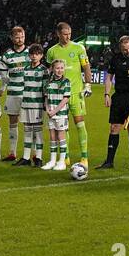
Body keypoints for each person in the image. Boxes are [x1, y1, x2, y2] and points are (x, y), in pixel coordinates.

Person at [45, 23, 91, 170]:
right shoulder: (52, 51)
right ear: (58, 34)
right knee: (62, 127)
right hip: (59, 96)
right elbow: (48, 72)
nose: (68, 36)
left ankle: (84, 157)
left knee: (79, 124)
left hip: (76, 93)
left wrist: (88, 84)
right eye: (65, 34)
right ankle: (66, 157)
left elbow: (86, 67)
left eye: (69, 33)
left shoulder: (79, 48)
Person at [99, 35, 129, 170]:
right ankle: (109, 161)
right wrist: (107, 94)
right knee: (114, 127)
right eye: (124, 49)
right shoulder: (115, 59)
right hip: (118, 97)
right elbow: (109, 78)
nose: (127, 51)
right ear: (120, 48)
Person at [0, 26, 31, 161]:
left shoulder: (30, 53)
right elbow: (4, 74)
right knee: (13, 122)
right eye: (17, 37)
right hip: (12, 93)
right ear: (12, 38)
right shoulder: (7, 55)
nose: (20, 39)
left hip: (28, 94)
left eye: (22, 36)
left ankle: (30, 154)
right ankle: (12, 152)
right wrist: (3, 87)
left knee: (29, 124)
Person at [16, 44, 46, 168]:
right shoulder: (25, 69)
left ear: (41, 56)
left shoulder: (44, 70)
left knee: (37, 132)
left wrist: (45, 103)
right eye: (32, 54)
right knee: (27, 131)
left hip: (37, 104)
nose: (34, 56)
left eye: (37, 54)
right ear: (29, 55)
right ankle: (26, 157)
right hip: (26, 104)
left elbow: (45, 88)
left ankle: (38, 157)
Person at [41, 60, 72, 171]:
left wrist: (55, 111)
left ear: (64, 69)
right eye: (57, 68)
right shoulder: (49, 82)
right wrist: (48, 109)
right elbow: (46, 97)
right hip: (50, 114)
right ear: (53, 69)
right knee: (52, 137)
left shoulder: (66, 82)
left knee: (60, 137)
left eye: (61, 68)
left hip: (61, 114)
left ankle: (61, 161)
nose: (59, 70)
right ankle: (52, 160)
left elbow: (66, 99)